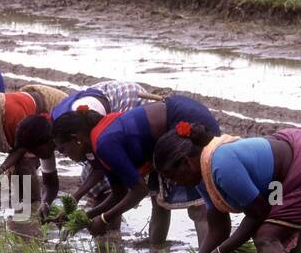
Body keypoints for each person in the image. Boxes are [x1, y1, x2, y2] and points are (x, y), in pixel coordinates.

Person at [151, 126, 301, 253]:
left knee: (265, 235)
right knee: (279, 225)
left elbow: (258, 212)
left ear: (186, 162)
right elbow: (218, 228)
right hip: (279, 184)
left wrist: (221, 252)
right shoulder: (203, 175)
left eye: (172, 176)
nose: (175, 183)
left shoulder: (221, 165)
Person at [51, 95, 220, 241]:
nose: (66, 156)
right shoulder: (98, 144)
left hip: (184, 121)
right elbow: (119, 192)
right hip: (162, 136)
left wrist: (103, 219)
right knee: (159, 201)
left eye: (64, 150)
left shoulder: (104, 144)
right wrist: (84, 218)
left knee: (198, 207)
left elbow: (139, 190)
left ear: (76, 139)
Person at [0, 81, 146, 210]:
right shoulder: (50, 137)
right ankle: (106, 224)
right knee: (94, 184)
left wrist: (76, 196)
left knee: (109, 177)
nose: (38, 157)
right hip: (99, 116)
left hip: (126, 100)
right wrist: (45, 203)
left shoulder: (75, 125)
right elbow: (50, 184)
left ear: (48, 141)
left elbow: (100, 166)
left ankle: (110, 228)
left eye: (37, 152)